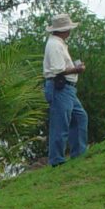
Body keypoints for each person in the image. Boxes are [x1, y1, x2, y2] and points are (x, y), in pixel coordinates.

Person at [42, 13, 88, 167]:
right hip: (60, 87)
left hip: (66, 88)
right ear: (63, 30)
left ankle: (78, 153)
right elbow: (58, 70)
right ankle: (57, 160)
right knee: (60, 124)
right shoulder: (55, 45)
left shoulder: (57, 43)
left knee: (79, 117)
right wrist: (76, 69)